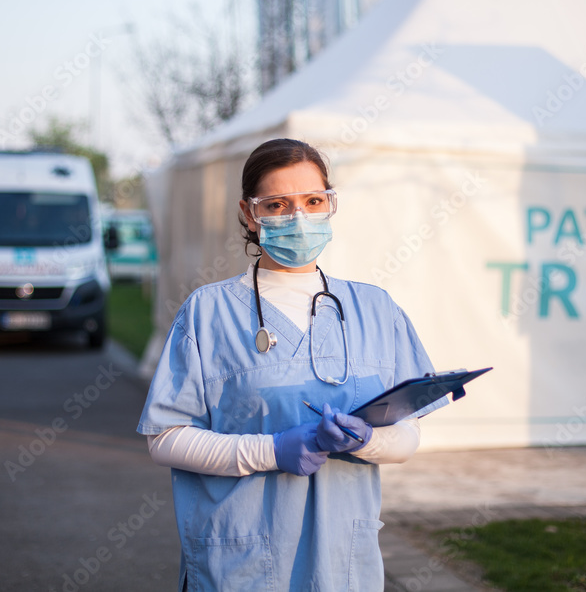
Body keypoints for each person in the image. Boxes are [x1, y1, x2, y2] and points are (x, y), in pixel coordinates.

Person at [137, 138, 442, 591]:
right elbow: (165, 439)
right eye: (278, 204)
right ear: (249, 213)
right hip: (242, 562)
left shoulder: (377, 310)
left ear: (329, 205)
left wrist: (368, 441)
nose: (298, 218)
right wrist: (272, 451)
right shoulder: (208, 313)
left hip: (343, 565)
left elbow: (408, 436)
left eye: (313, 201)